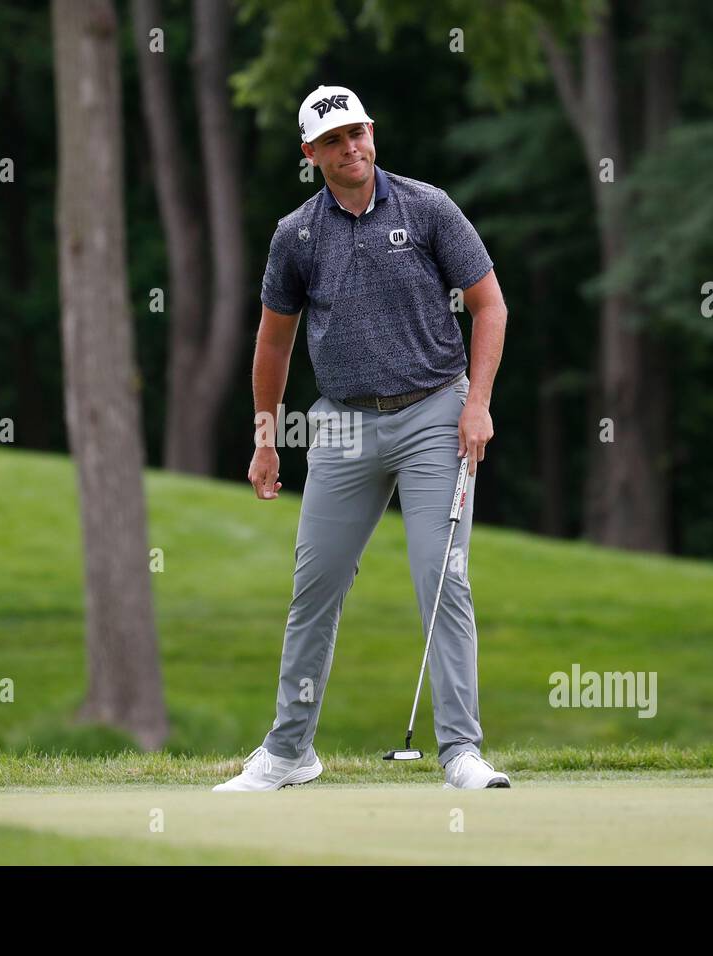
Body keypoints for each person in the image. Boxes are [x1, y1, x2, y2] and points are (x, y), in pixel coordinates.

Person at [214, 85, 510, 791]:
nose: (352, 149)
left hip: (435, 410)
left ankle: (461, 752)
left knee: (443, 578)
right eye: (334, 141)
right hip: (342, 423)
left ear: (372, 132)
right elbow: (273, 344)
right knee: (313, 587)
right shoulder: (296, 235)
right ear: (311, 154)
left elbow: (489, 305)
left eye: (358, 134)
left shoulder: (428, 207)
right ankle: (290, 753)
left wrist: (479, 405)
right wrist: (265, 437)